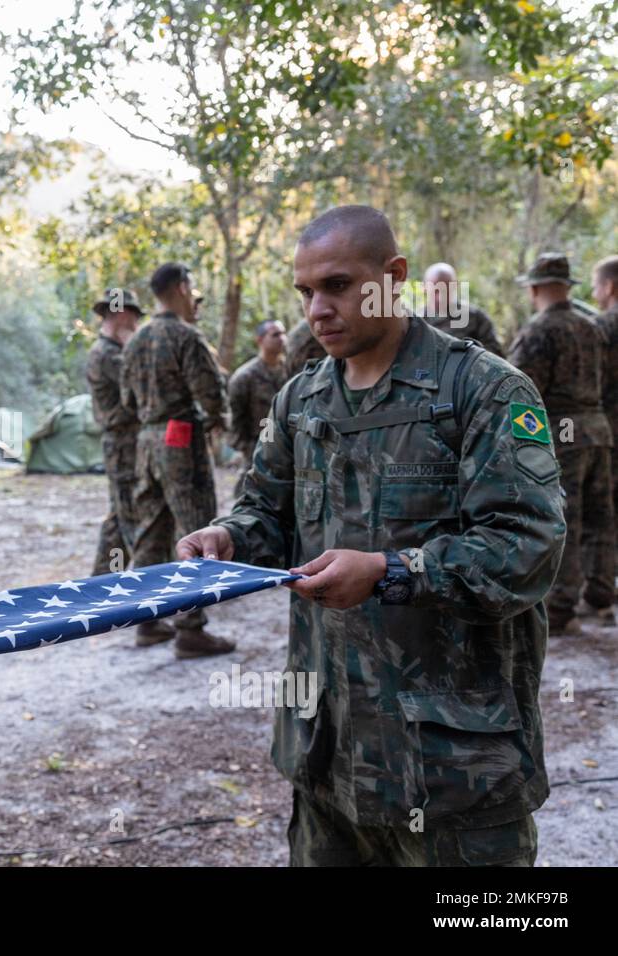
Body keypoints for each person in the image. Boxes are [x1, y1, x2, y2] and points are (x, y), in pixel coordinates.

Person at [178, 205, 565, 866]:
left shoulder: (484, 390)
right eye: (305, 292)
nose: (317, 309)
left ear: (393, 277)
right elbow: (266, 511)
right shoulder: (301, 400)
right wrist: (228, 538)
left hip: (451, 767)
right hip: (329, 755)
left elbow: (526, 548)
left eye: (337, 285)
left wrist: (393, 569)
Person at [121, 262, 234, 658]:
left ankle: (148, 621)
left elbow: (127, 401)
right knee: (197, 529)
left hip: (147, 441)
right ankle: (191, 629)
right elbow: (211, 393)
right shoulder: (187, 337)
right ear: (183, 287)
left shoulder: (134, 341)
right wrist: (218, 420)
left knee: (150, 530)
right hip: (181, 438)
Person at [508, 252, 614, 631]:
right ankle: (600, 596)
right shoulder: (593, 327)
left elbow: (517, 393)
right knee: (600, 517)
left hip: (562, 432)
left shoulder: (538, 331)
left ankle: (562, 606)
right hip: (598, 430)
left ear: (535, 289)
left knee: (563, 517)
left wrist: (522, 445)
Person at [85, 287, 177, 644]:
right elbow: (144, 386)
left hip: (127, 442)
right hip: (124, 443)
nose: (138, 322)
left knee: (119, 520)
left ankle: (97, 593)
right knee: (137, 522)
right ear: (120, 314)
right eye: (134, 315)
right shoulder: (109, 354)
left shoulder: (111, 350)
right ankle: (145, 617)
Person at [227, 319, 288, 495]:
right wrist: (248, 450)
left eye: (284, 333)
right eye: (275, 334)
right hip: (257, 449)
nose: (282, 339)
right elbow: (236, 421)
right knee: (249, 499)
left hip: (289, 448)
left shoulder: (292, 371)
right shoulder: (244, 377)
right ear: (260, 340)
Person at [589, 255, 618, 613]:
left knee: (602, 510)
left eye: (596, 286)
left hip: (607, 427)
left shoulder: (602, 328)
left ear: (609, 287)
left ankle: (599, 588)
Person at [418, 262, 505, 356]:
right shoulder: (415, 321)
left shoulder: (475, 318)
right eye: (436, 291)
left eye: (446, 291)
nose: (440, 297)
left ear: (455, 286)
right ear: (424, 288)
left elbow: (494, 356)